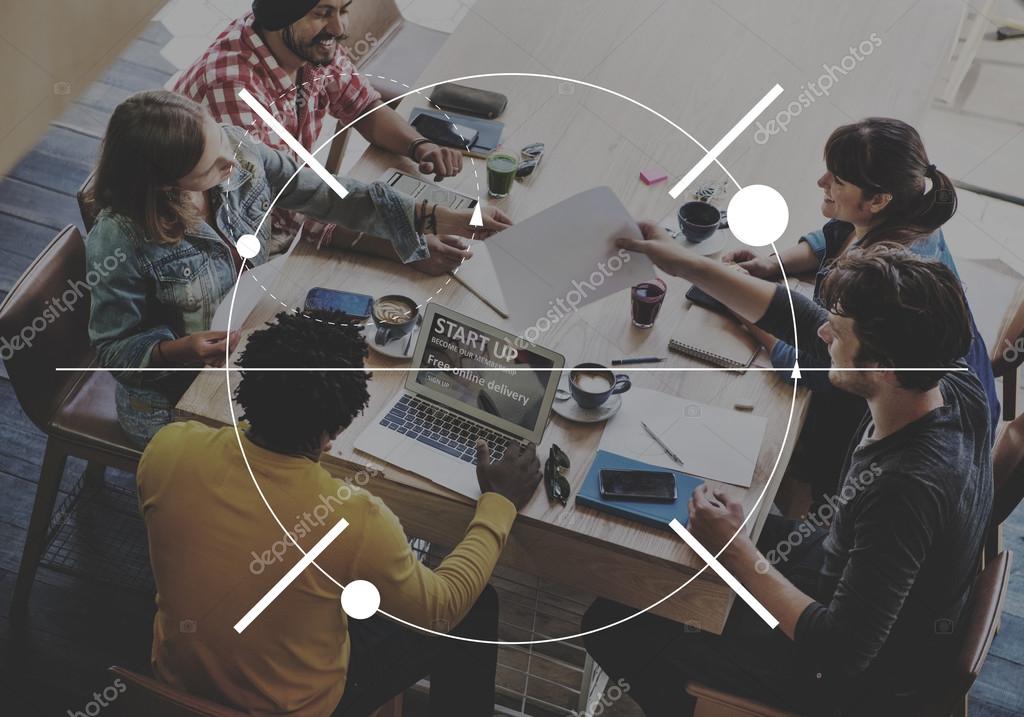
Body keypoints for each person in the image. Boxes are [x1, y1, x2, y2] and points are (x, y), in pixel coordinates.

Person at [583, 238, 992, 715]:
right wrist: (683, 264)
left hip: (849, 674)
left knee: (618, 624)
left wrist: (737, 552)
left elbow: (840, 650)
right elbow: (799, 317)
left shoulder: (905, 487)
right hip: (847, 573)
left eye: (838, 334)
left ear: (879, 367)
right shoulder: (948, 375)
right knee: (678, 540)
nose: (823, 337)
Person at [136, 308, 543, 716]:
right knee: (476, 606)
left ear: (247, 384)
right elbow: (441, 609)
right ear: (341, 426)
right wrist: (499, 503)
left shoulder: (168, 447)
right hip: (301, 708)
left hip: (175, 685)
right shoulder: (356, 518)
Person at [85, 90, 510, 447]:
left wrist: (435, 215)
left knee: (347, 410)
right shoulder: (118, 238)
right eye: (211, 166)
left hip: (254, 339)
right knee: (314, 443)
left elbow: (328, 195)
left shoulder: (235, 149)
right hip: (178, 396)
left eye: (222, 143)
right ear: (165, 184)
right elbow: (114, 348)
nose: (231, 164)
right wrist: (182, 349)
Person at [723, 118, 998, 510]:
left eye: (836, 178)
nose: (821, 182)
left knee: (765, 451)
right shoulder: (912, 215)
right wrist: (772, 266)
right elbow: (835, 237)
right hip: (955, 391)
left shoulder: (885, 281)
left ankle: (804, 508)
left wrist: (746, 312)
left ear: (878, 199)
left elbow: (808, 364)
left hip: (913, 415)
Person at [175, 0, 473, 272]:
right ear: (281, 15)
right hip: (210, 249)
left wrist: (418, 144)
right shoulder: (233, 87)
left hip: (281, 207)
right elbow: (282, 203)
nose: (339, 28)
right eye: (322, 14)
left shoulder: (303, 43)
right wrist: (401, 245)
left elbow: (361, 104)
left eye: (343, 10)